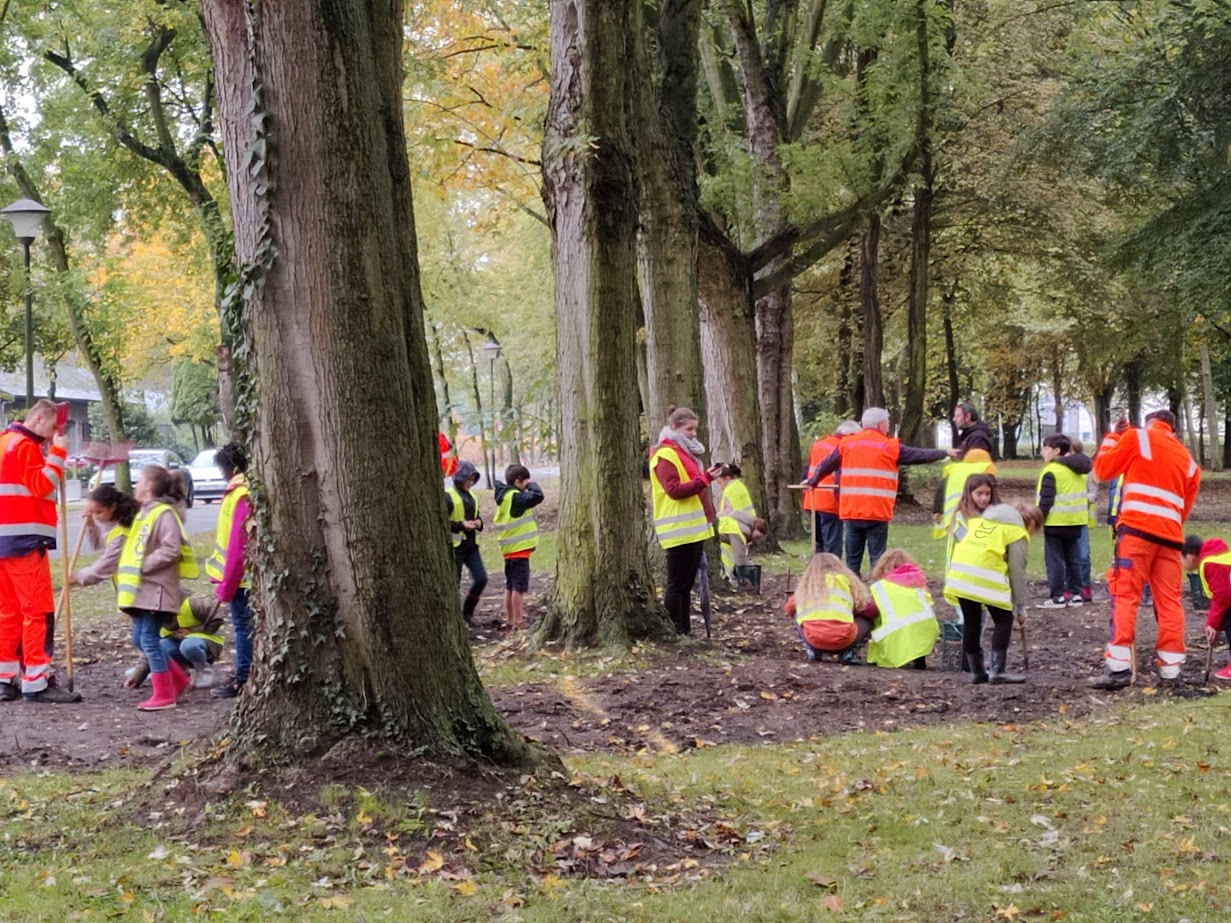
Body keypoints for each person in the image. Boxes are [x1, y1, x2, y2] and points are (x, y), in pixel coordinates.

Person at [1090, 409, 1200, 688]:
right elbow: (1182, 509)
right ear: (1173, 430)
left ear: (1150, 424)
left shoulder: (1137, 438)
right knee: (1169, 601)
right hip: (1171, 538)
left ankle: (1118, 667)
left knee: (1125, 595)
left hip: (1136, 533)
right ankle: (1171, 667)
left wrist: (1113, 437)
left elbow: (1102, 471)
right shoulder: (1189, 463)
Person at [803, 407, 955, 577]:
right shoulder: (890, 446)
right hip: (877, 512)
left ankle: (853, 597)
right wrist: (945, 452)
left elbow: (826, 464)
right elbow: (918, 455)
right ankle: (878, 597)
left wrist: (812, 481)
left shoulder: (847, 444)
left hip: (852, 511)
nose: (888, 427)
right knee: (878, 561)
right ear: (881, 424)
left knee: (852, 562)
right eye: (888, 423)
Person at [0, 399, 80, 704]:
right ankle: (36, 680)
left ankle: (5, 679)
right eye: (51, 428)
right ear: (36, 418)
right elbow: (42, 486)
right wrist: (58, 453)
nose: (52, 435)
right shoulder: (23, 446)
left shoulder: (4, 442)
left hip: (3, 541)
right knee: (36, 611)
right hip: (23, 541)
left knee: (8, 612)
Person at [943, 474, 1042, 684]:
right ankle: (998, 671)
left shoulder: (982, 522)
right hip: (984, 577)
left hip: (960, 575)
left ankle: (977, 672)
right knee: (1004, 619)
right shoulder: (1016, 532)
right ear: (1030, 524)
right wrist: (1020, 607)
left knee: (972, 621)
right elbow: (1017, 571)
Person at [116, 465, 198, 711]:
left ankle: (164, 694)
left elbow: (171, 548)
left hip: (157, 591)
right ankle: (179, 679)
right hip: (144, 592)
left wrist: (144, 565)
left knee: (150, 640)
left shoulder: (164, 514)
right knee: (140, 638)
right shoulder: (146, 513)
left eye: (139, 481)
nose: (135, 485)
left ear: (150, 485)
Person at [649, 407, 720, 635]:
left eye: (695, 429)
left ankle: (684, 629)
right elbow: (674, 490)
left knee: (686, 584)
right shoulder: (664, 455)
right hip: (677, 528)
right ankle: (675, 630)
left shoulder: (684, 453)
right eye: (689, 429)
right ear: (674, 428)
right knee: (677, 584)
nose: (693, 434)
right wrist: (706, 478)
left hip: (693, 528)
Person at [208, 443, 253, 699]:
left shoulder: (239, 493)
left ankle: (243, 678)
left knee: (243, 627)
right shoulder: (238, 491)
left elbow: (237, 545)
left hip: (241, 579)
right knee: (243, 626)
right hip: (240, 578)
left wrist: (227, 586)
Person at [785, 552, 875, 662]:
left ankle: (811, 651)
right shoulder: (845, 581)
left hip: (813, 640)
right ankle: (849, 653)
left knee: (797, 614)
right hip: (844, 640)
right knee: (867, 620)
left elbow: (788, 609)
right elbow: (868, 608)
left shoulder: (808, 586)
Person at [1036, 434, 1090, 608]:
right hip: (1075, 521)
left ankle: (1057, 596)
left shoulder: (1051, 470)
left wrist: (1038, 520)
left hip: (1055, 522)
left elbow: (1046, 499)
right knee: (1073, 558)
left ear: (1057, 451)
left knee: (1055, 560)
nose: (1042, 452)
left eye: (1045, 448)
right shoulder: (1078, 470)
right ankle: (1076, 594)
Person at [865, 549, 938, 669]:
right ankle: (919, 659)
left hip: (896, 632)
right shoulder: (918, 583)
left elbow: (871, 611)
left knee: (878, 619)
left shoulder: (880, 587)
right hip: (927, 630)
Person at [493, 464, 544, 631]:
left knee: (509, 586)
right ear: (517, 482)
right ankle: (518, 621)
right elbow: (537, 496)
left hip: (509, 550)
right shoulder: (515, 497)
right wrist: (531, 485)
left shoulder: (504, 497)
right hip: (519, 550)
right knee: (518, 587)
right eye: (524, 481)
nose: (526, 485)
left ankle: (510, 620)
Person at [801, 421, 861, 555]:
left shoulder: (819, 444)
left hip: (812, 499)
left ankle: (817, 570)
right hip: (830, 501)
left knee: (818, 543)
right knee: (832, 544)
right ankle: (832, 571)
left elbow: (806, 471)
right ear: (850, 434)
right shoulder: (844, 447)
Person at [1183, 534, 1231, 680]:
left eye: (1181, 559)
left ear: (1190, 557)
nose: (1181, 564)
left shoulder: (1210, 564)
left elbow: (1222, 597)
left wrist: (1212, 624)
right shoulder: (1217, 555)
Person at [446, 461, 487, 625]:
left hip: (471, 547)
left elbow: (477, 516)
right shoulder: (448, 496)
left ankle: (467, 613)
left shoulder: (472, 496)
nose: (470, 483)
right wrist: (461, 525)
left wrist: (479, 523)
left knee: (481, 578)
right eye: (467, 479)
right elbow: (442, 523)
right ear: (459, 478)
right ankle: (453, 619)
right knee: (453, 584)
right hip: (455, 548)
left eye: (473, 480)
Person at [713, 463, 766, 590]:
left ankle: (732, 578)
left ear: (727, 478)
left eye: (719, 482)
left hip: (734, 528)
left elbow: (734, 512)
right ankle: (732, 578)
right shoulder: (739, 486)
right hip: (743, 529)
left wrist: (719, 517)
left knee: (732, 557)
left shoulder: (731, 490)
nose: (719, 486)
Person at [931, 448, 996, 551]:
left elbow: (940, 492)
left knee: (965, 546)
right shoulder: (985, 469)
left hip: (952, 518)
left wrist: (937, 511)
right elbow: (993, 495)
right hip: (969, 516)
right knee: (974, 547)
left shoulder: (955, 470)